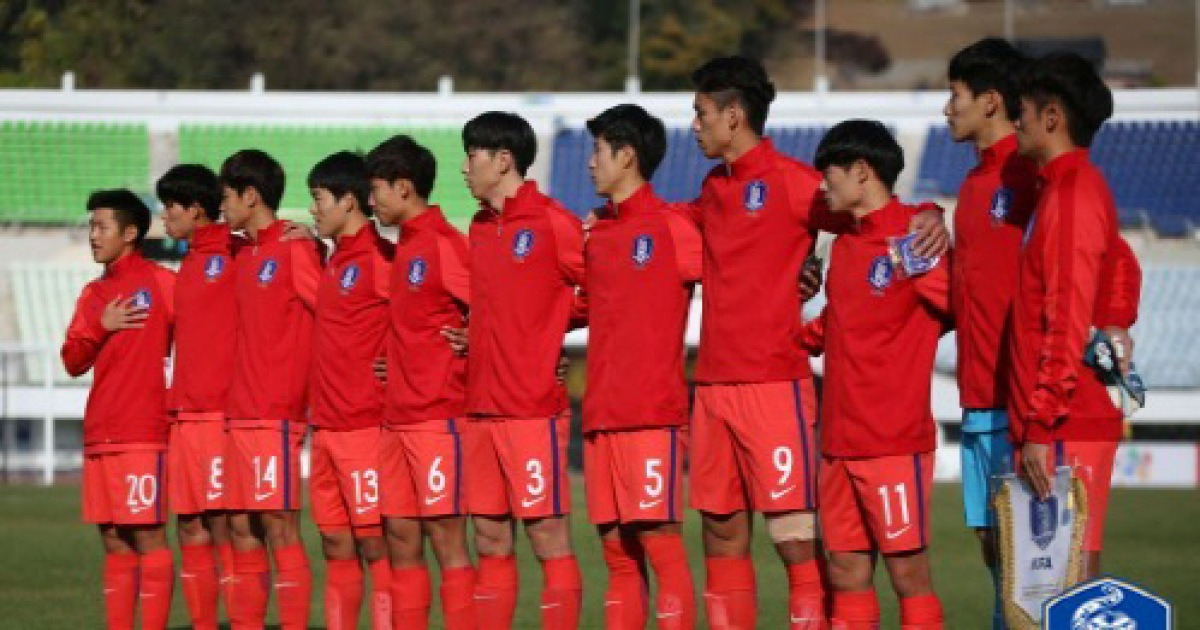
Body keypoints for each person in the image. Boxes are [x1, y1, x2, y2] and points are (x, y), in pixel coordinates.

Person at [685, 55, 950, 629]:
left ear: (734, 115)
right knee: (720, 529)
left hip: (775, 382)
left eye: (701, 112)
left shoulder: (795, 183)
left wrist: (931, 214)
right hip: (712, 386)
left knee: (796, 536)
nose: (694, 124)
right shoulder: (712, 188)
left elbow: (875, 214)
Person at [802, 119, 949, 630]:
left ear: (861, 171)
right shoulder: (844, 246)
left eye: (830, 174)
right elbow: (834, 327)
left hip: (893, 441)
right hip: (838, 443)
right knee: (845, 572)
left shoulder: (914, 238)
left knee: (908, 574)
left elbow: (962, 307)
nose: (823, 186)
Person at [1009, 52, 1137, 579]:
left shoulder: (1072, 193)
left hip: (1066, 418)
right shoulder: (1064, 189)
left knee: (1069, 574)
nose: (1016, 122)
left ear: (1052, 117)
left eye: (1022, 111)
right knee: (1052, 577)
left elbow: (1065, 318)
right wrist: (1117, 319)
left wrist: (1041, 422)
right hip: (1060, 415)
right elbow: (1123, 263)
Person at [461, 111, 585, 630]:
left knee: (546, 535)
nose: (464, 168)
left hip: (531, 410)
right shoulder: (478, 228)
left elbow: (602, 289)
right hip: (479, 409)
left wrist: (550, 328)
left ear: (503, 160)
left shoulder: (554, 222)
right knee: (489, 538)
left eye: (471, 156)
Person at [578, 104, 700, 629]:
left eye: (598, 151)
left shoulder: (675, 227)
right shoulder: (597, 234)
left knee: (660, 544)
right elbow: (573, 308)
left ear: (626, 156)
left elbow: (738, 275)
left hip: (651, 413)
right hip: (601, 415)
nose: (590, 163)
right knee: (616, 552)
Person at [368, 135, 478, 629]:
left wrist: (473, 337)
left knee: (446, 539)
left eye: (376, 190)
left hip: (437, 417)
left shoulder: (443, 243)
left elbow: (493, 307)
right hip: (395, 418)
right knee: (399, 539)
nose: (371, 201)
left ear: (404, 187)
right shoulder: (405, 248)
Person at [63, 189, 177, 629]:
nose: (93, 236)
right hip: (100, 433)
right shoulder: (93, 295)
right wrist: (100, 326)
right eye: (91, 227)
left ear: (130, 233)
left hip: (142, 432)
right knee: (112, 539)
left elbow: (204, 335)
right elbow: (72, 361)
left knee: (148, 536)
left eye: (101, 227)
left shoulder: (163, 283)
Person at [220, 149, 323, 629]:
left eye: (226, 196)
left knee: (279, 524)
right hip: (237, 412)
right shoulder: (243, 251)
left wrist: (321, 248)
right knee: (240, 526)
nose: (222, 206)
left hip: (275, 413)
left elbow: (335, 311)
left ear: (251, 196)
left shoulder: (294, 248)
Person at [306, 151, 394, 629]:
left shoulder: (381, 260)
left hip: (366, 425)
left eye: (319, 198)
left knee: (376, 543)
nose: (313, 209)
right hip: (325, 427)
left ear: (348, 201)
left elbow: (433, 311)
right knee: (335, 543)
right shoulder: (334, 260)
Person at [158, 164, 239, 629]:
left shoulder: (235, 250)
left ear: (195, 209)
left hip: (220, 414)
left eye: (171, 206)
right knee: (189, 525)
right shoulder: (188, 263)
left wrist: (306, 238)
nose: (164, 216)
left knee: (225, 526)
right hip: (184, 415)